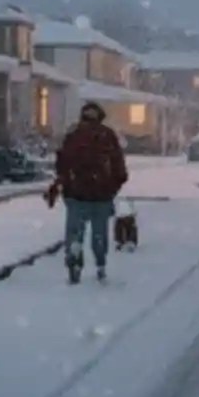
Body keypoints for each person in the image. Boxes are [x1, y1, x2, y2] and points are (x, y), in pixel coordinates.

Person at [53, 102, 129, 284]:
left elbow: (61, 164)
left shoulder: (72, 135)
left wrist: (66, 184)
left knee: (74, 232)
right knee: (99, 233)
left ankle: (74, 263)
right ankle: (100, 264)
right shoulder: (107, 136)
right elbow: (119, 168)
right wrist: (112, 187)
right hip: (101, 196)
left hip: (76, 195)